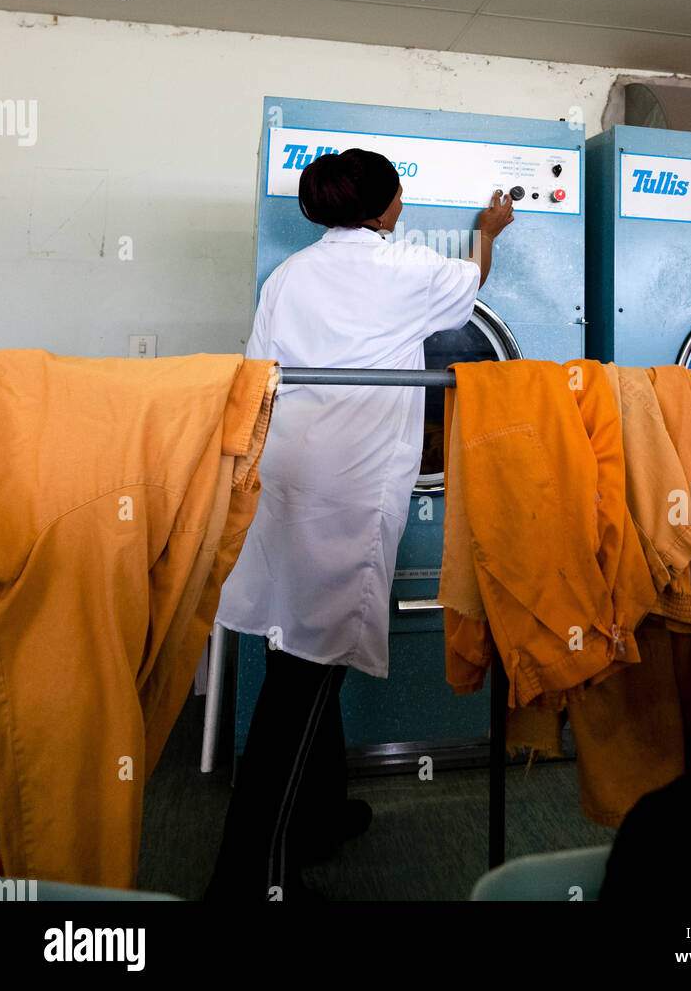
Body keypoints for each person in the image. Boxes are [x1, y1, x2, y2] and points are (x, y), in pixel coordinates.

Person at [206, 147, 514, 901]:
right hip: (349, 489)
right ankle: (249, 879)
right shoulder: (401, 268)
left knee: (299, 650)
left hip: (283, 483)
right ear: (382, 205)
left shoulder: (288, 277)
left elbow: (258, 375)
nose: (403, 206)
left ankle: (320, 813)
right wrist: (490, 226)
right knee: (305, 677)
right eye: (400, 194)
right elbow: (472, 280)